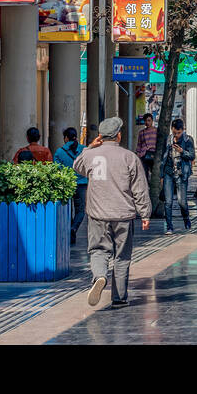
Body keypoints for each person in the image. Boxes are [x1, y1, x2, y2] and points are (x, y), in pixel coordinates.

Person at [75, 117, 152, 309]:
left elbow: (77, 166)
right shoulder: (129, 157)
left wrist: (90, 147)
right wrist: (145, 213)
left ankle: (100, 276)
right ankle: (119, 298)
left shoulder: (91, 156)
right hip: (123, 215)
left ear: (101, 136)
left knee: (98, 250)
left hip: (97, 213)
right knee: (122, 256)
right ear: (119, 135)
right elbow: (140, 188)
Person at [53, 128, 87, 245]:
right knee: (80, 211)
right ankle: (73, 228)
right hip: (82, 184)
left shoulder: (59, 152)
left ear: (66, 138)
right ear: (76, 137)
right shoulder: (84, 150)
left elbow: (56, 170)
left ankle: (70, 230)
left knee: (67, 210)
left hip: (66, 184)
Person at [163, 118, 195, 232]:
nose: (176, 135)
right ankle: (169, 226)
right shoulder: (168, 139)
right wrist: (162, 175)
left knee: (182, 202)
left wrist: (182, 151)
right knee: (168, 202)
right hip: (168, 173)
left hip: (182, 174)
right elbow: (164, 157)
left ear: (183, 130)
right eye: (174, 132)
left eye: (178, 133)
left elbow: (192, 156)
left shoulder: (188, 140)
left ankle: (186, 219)